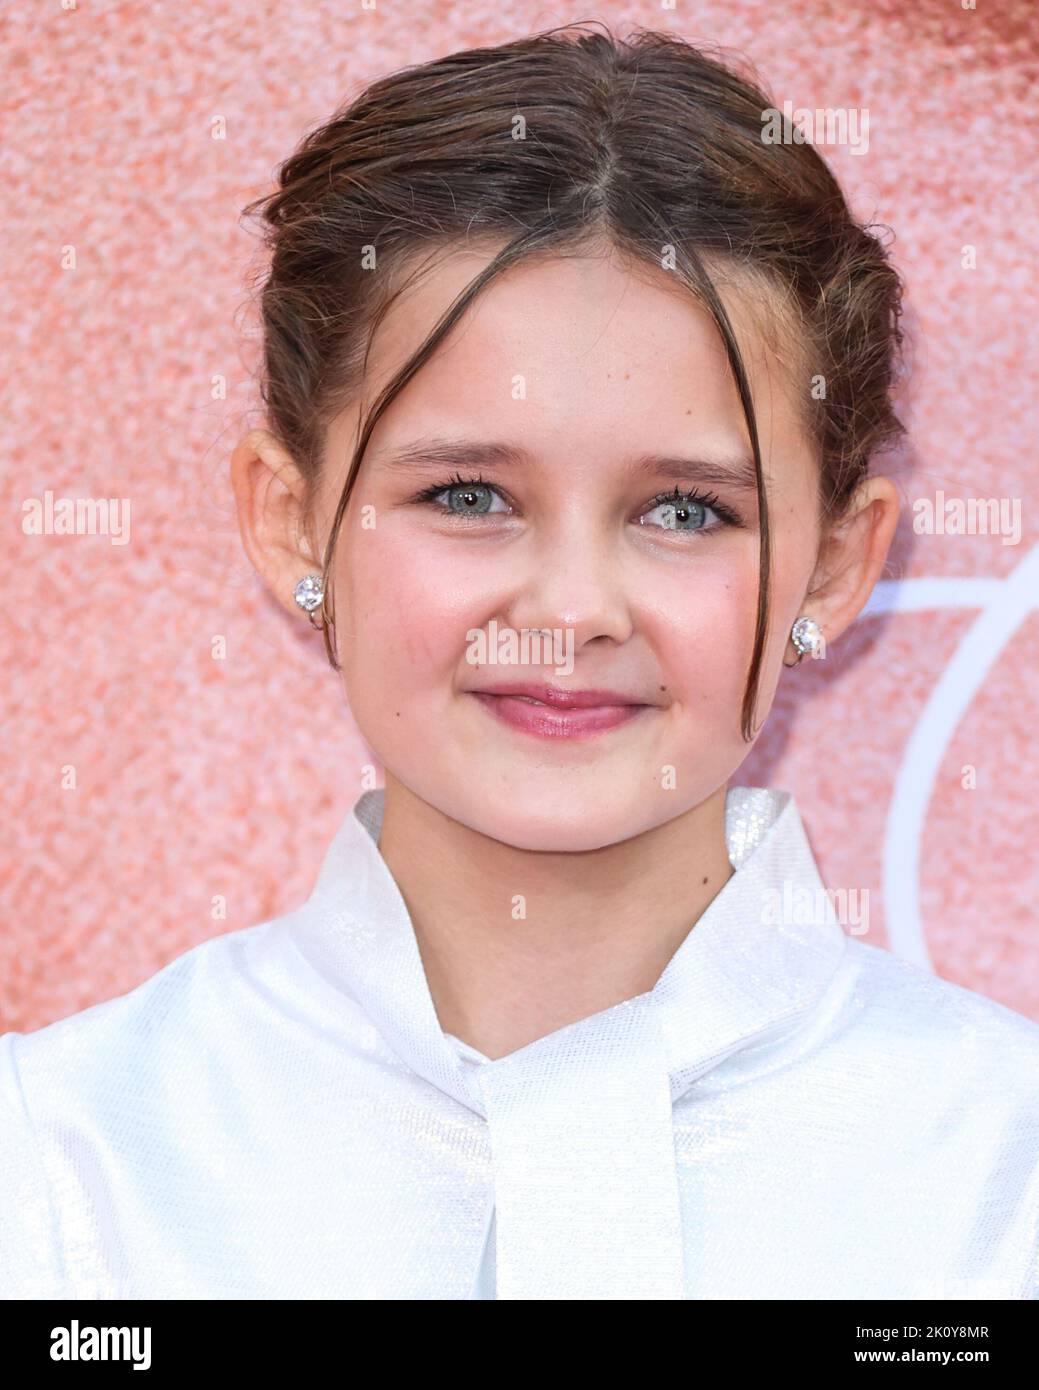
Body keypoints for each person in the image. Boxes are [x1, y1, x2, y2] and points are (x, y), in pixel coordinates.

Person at [2, 23, 1037, 1301]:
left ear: (832, 565)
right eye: (468, 494)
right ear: (289, 520)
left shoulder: (1004, 1178)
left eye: (684, 511)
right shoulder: (59, 1167)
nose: (570, 608)